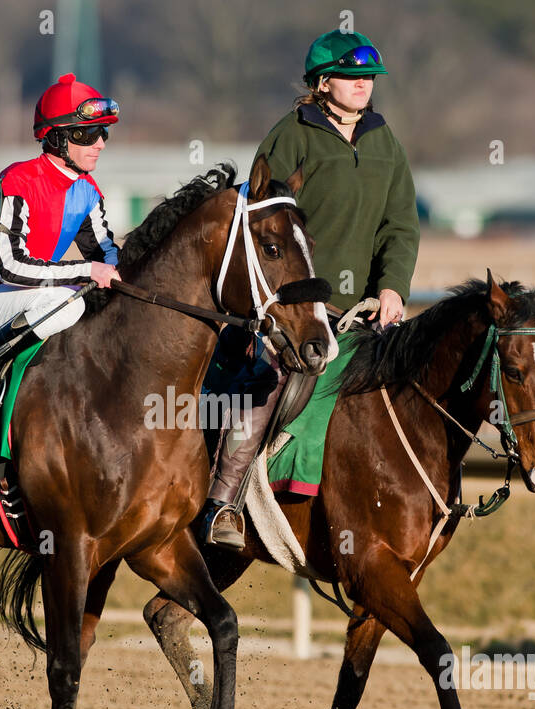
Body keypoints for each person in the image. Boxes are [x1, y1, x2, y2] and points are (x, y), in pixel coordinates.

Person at [197, 28, 421, 548]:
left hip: (367, 311)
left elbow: (401, 225)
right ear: (323, 83)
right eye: (353, 76)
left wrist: (392, 288)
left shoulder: (385, 139)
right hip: (295, 308)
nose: (365, 85)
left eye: (370, 77)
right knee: (270, 381)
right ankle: (222, 502)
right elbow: (261, 224)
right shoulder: (290, 136)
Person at [0, 73, 122, 405]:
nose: (101, 143)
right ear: (60, 138)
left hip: (28, 295)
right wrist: (87, 272)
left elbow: (108, 255)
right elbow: (11, 269)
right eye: (91, 133)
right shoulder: (18, 180)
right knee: (70, 303)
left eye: (104, 132)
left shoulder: (87, 192)